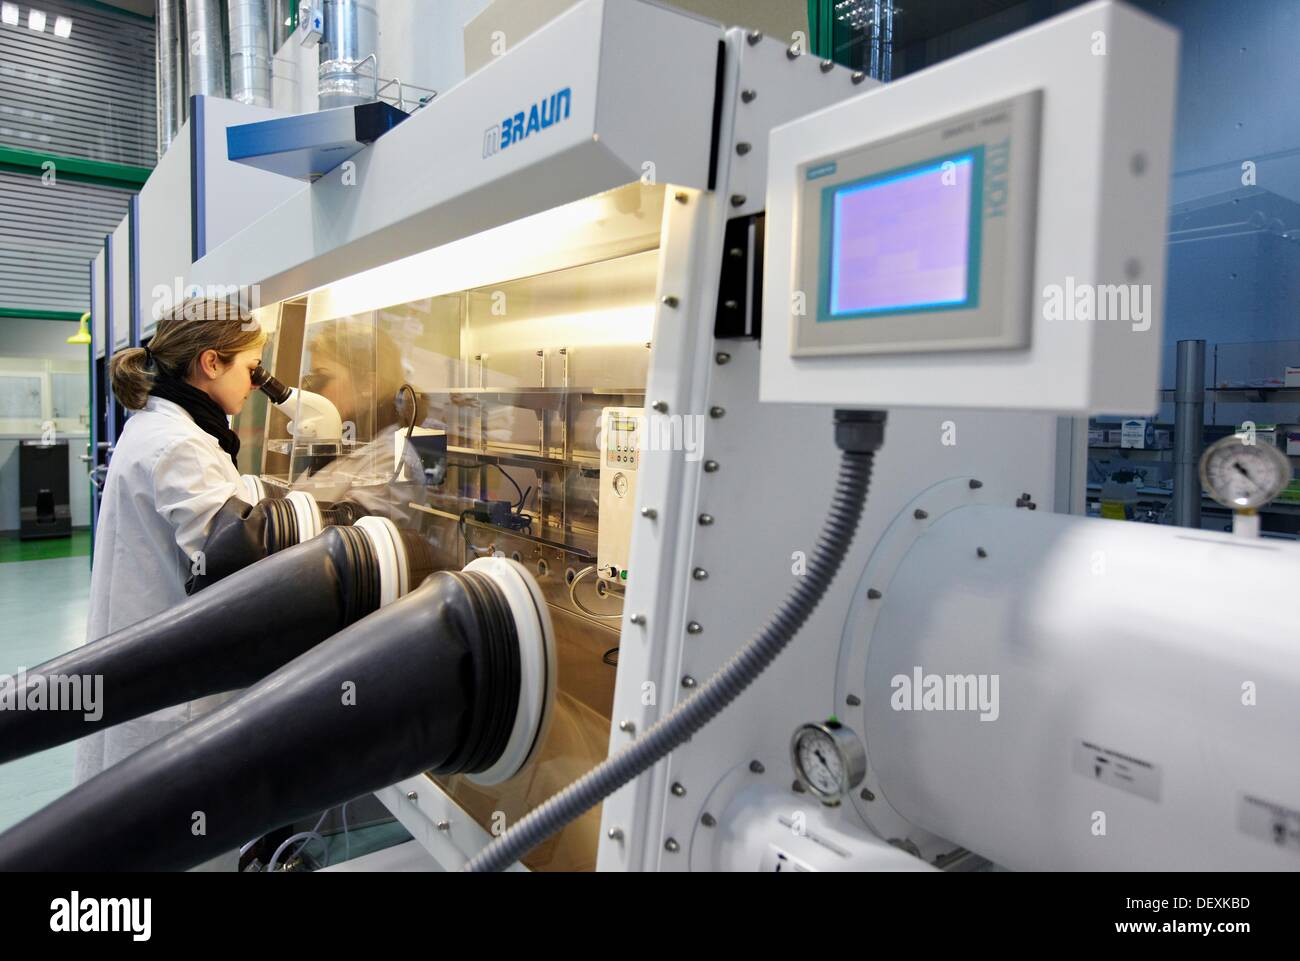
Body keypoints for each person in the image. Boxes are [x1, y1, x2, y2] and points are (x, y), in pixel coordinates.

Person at [74, 302, 267, 786]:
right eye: (250, 367)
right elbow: (232, 557)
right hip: (172, 696)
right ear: (210, 363)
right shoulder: (179, 443)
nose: (255, 381)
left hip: (146, 666)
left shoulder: (161, 426)